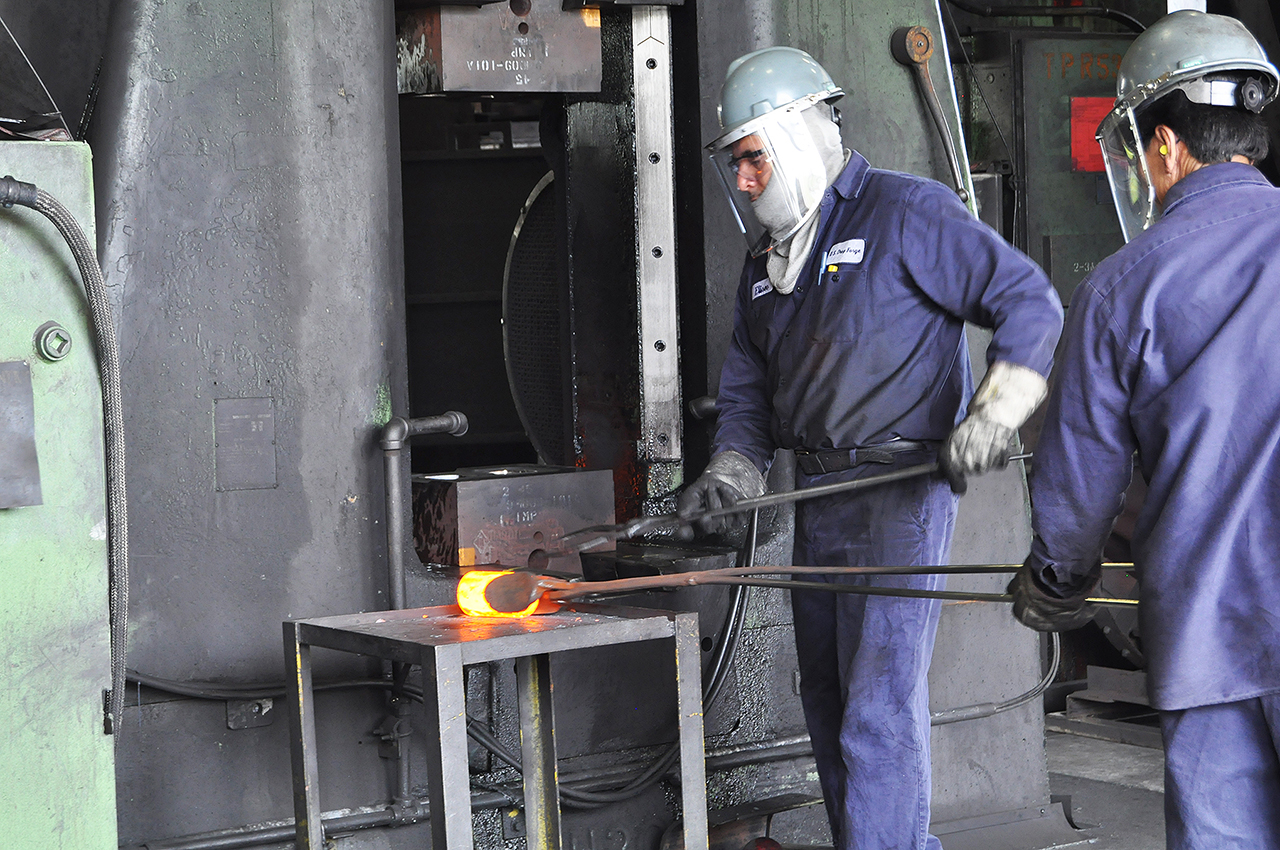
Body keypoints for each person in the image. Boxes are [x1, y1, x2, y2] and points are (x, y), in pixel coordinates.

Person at [679, 47, 1063, 850]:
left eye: (753, 158)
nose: (746, 181)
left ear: (798, 136)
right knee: (825, 697)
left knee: (876, 709)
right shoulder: (764, 269)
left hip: (900, 495)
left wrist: (997, 413)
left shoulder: (904, 212)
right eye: (736, 164)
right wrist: (732, 468)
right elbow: (748, 391)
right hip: (817, 501)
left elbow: (1027, 300)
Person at [1006, 10, 1280, 849]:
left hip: (1212, 628)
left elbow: (1078, 477)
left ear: (1162, 146)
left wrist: (1055, 582)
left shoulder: (1126, 288)